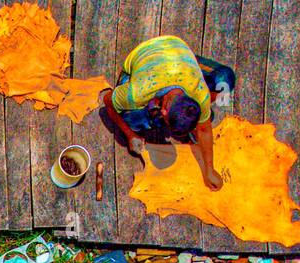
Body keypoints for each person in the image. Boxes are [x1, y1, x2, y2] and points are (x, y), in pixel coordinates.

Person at [101, 35, 236, 190]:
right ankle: (148, 119)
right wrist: (129, 135)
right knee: (133, 121)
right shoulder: (137, 93)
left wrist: (209, 170)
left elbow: (204, 129)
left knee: (226, 79)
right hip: (145, 55)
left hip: (178, 53)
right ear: (163, 110)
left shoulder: (200, 92)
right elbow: (107, 102)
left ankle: (194, 110)